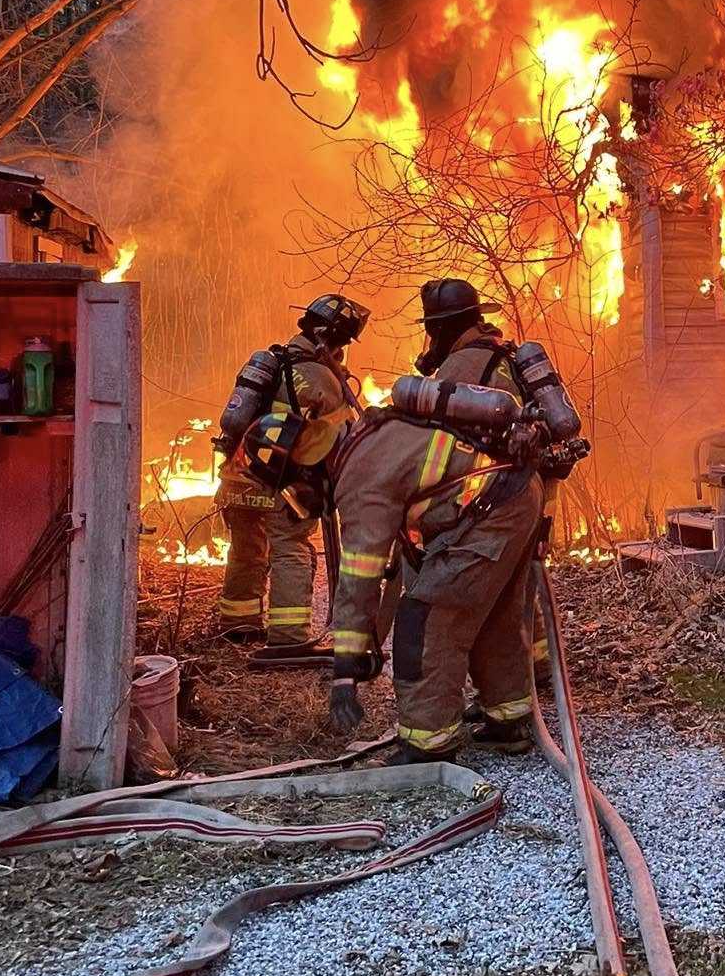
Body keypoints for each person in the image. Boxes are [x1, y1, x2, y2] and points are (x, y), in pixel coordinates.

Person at [324, 278, 545, 759]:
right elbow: (392, 573)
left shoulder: (358, 479)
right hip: (517, 491)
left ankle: (429, 741)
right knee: (492, 613)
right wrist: (366, 646)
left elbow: (361, 575)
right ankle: (508, 721)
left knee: (430, 615)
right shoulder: (380, 437)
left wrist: (344, 667)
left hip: (490, 504)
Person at [214, 294, 367, 650]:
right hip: (280, 486)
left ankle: (239, 624)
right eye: (342, 341)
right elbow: (341, 440)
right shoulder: (319, 378)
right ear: (329, 337)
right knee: (290, 550)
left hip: (238, 478)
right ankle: (287, 638)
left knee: (246, 549)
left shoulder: (270, 362)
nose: (343, 349)